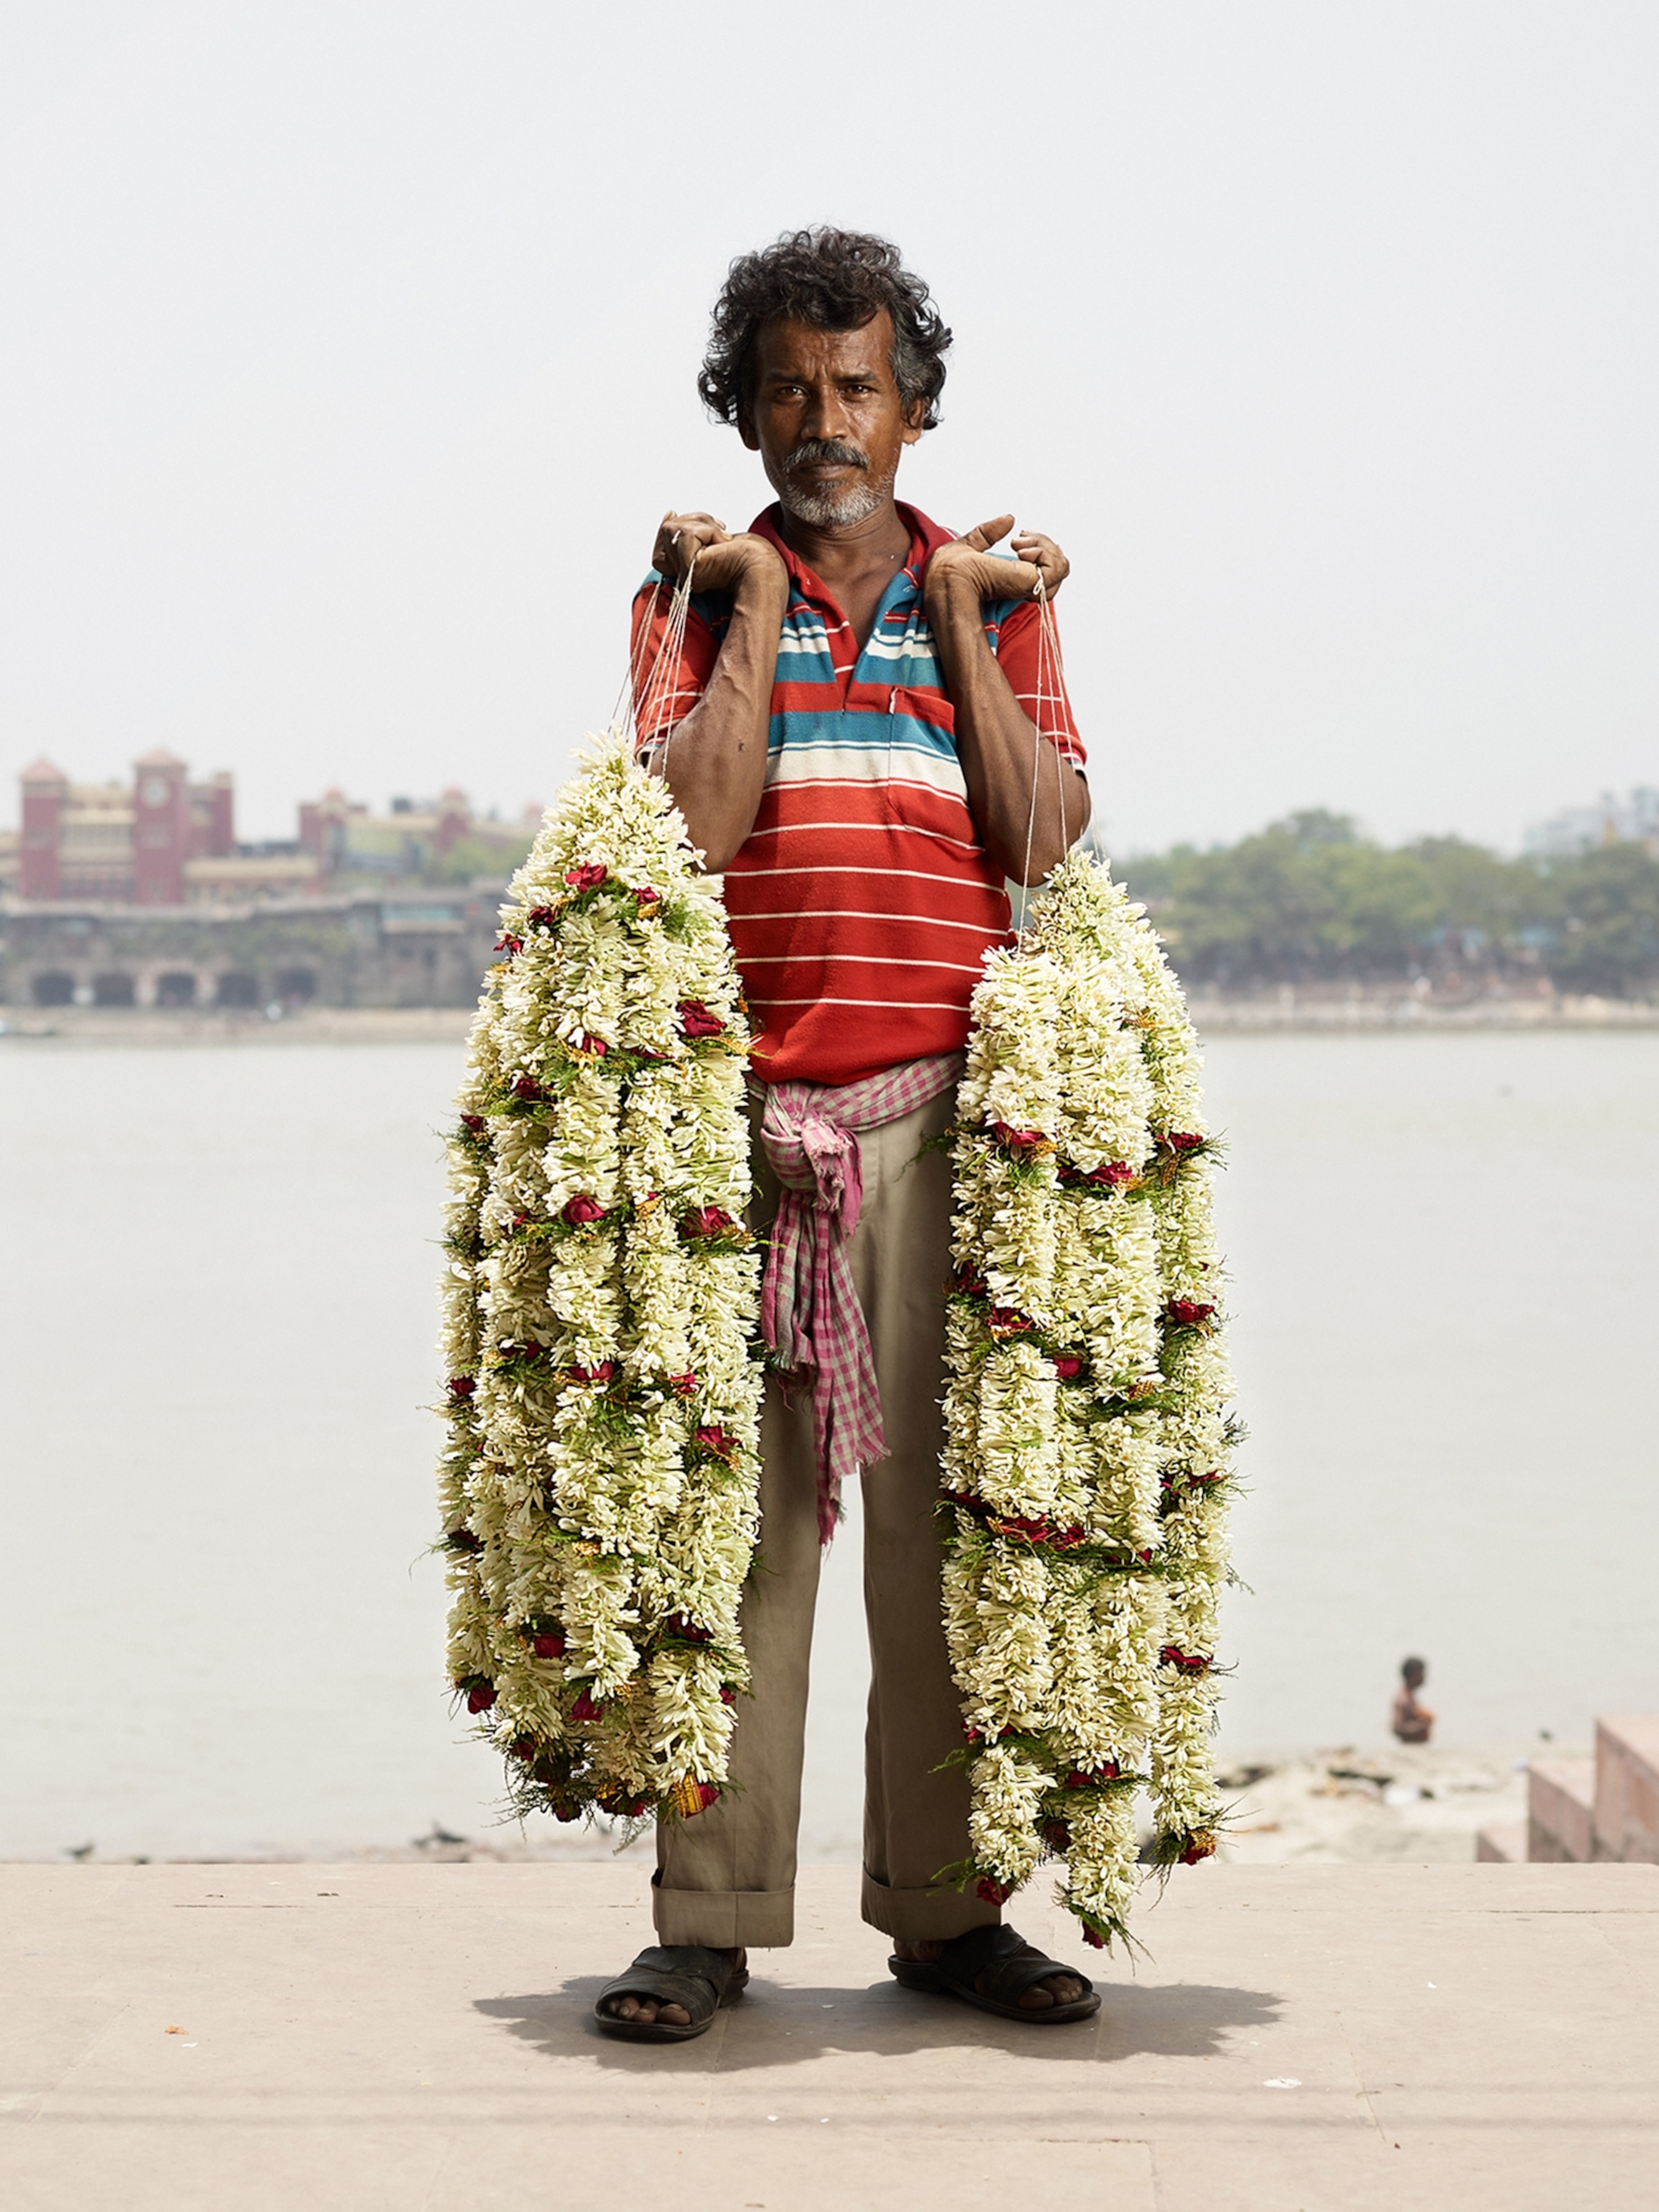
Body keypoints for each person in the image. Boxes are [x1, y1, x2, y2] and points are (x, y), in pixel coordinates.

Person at [594, 228, 1097, 2041]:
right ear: (747, 413)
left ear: (914, 407)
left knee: (944, 1544)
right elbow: (694, 828)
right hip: (753, 1136)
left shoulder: (1006, 597)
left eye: (858, 387)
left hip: (952, 1132)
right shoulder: (686, 595)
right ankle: (708, 1921)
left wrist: (961, 613)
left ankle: (950, 1917)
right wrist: (739, 605)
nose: (826, 421)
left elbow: (1040, 840)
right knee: (742, 1546)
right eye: (790, 391)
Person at [1392, 1657, 1434, 1745]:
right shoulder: (1403, 1699)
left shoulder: (1410, 1698)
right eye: (1420, 1673)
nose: (1423, 1677)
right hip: (1409, 1748)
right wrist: (1421, 1725)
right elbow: (1397, 1728)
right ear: (1412, 1674)